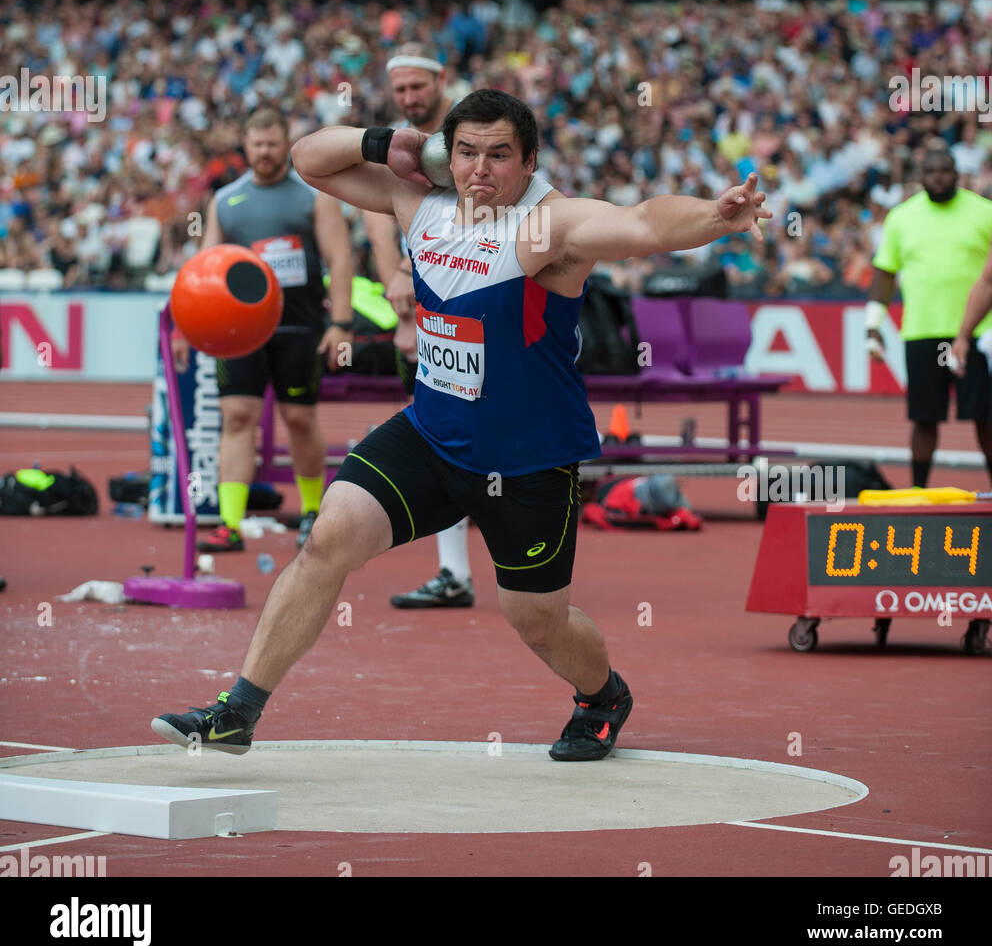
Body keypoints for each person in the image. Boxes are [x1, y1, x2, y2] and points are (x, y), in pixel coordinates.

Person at [153, 90, 769, 762]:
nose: (481, 170)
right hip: (433, 435)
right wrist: (388, 141)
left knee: (537, 620)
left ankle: (603, 697)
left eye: (500, 155)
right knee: (328, 536)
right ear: (448, 155)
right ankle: (237, 711)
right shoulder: (421, 202)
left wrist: (715, 215)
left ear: (529, 161)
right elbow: (309, 161)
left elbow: (645, 223)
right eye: (467, 152)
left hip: (530, 458)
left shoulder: (547, 227)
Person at [171, 109, 354, 552]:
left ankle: (312, 512)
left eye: (274, 144)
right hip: (238, 331)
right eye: (258, 144)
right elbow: (201, 271)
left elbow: (341, 258)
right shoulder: (225, 201)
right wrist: (184, 329)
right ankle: (230, 524)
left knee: (299, 417)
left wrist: (342, 323)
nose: (266, 152)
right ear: (245, 144)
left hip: (299, 325)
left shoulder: (314, 195)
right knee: (236, 418)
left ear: (285, 142)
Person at [363, 51, 476, 609]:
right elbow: (381, 223)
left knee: (495, 430)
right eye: (400, 89)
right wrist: (400, 296)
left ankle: (529, 554)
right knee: (445, 428)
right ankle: (454, 570)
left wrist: (412, 273)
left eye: (417, 86)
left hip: (485, 292)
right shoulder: (398, 149)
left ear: (441, 81)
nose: (408, 97)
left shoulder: (472, 134)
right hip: (432, 310)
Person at [866, 142, 992, 489]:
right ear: (921, 176)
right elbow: (884, 274)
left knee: (985, 418)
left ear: (957, 174)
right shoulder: (901, 217)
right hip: (922, 333)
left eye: (945, 171)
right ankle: (919, 491)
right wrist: (872, 328)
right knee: (924, 418)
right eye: (931, 172)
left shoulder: (985, 212)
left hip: (980, 334)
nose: (938, 178)